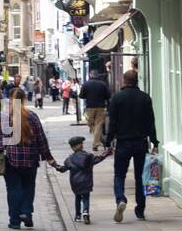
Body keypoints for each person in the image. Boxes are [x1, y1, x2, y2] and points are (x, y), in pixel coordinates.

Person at [0, 88, 55, 229]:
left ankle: (14, 221)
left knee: (13, 188)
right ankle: (26, 212)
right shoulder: (32, 116)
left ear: (10, 99)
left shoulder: (2, 116)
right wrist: (49, 157)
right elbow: (41, 139)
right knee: (28, 186)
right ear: (24, 100)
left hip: (9, 158)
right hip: (30, 159)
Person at [105, 69, 160, 222]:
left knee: (119, 175)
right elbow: (151, 123)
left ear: (124, 81)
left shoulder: (117, 98)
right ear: (137, 81)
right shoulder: (145, 98)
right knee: (140, 177)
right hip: (140, 143)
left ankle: (120, 199)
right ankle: (140, 210)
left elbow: (113, 123)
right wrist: (155, 142)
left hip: (123, 143)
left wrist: (108, 141)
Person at [53, 135, 112, 223]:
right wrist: (107, 153)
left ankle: (77, 215)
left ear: (72, 148)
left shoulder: (69, 159)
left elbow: (63, 169)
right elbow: (98, 159)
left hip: (75, 182)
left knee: (77, 198)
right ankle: (86, 212)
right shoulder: (88, 156)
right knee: (86, 198)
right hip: (86, 181)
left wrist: (56, 166)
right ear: (81, 145)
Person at [79, 70, 112, 151]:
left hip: (90, 107)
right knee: (98, 125)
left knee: (91, 124)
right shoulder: (103, 84)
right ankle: (101, 140)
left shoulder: (86, 84)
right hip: (101, 107)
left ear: (90, 75)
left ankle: (95, 144)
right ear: (97, 75)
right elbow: (108, 95)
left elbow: (81, 96)